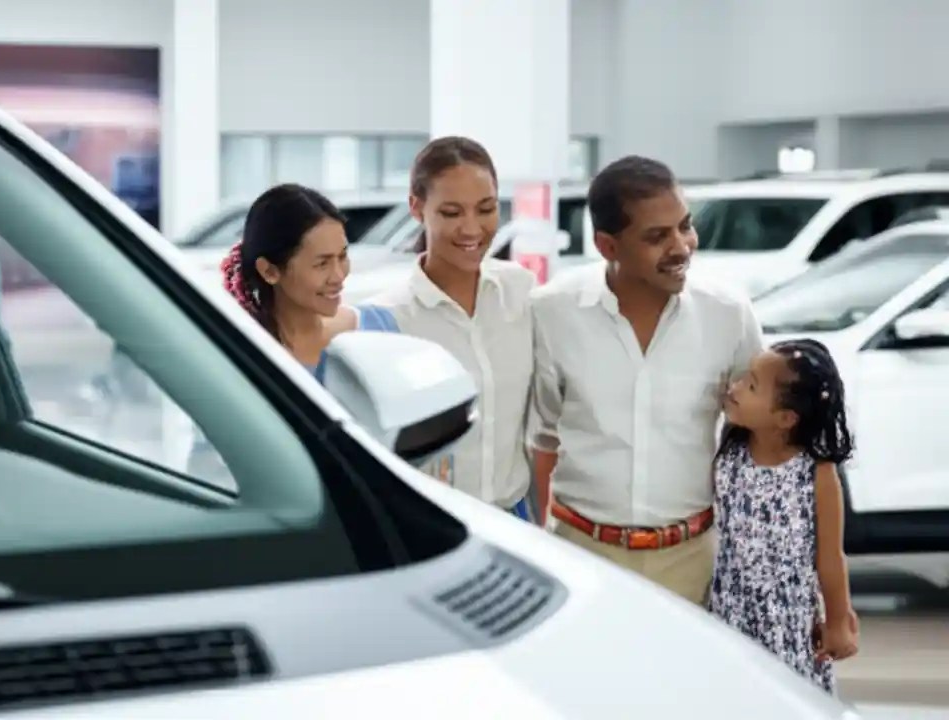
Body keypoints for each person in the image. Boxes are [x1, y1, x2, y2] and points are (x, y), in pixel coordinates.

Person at [529, 155, 763, 604]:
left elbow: (760, 444)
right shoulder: (551, 312)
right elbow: (541, 442)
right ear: (607, 245)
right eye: (657, 236)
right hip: (580, 557)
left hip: (694, 561)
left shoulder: (728, 313)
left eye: (685, 226)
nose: (681, 246)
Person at [370, 136, 535, 521]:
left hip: (516, 521)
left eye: (486, 209)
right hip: (429, 528)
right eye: (451, 212)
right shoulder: (388, 319)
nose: (472, 229)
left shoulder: (520, 291)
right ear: (416, 207)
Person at [709, 338, 859, 694]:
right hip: (729, 609)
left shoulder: (817, 474)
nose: (735, 387)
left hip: (786, 620)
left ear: (785, 418)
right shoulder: (730, 454)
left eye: (751, 386)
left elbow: (830, 558)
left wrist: (838, 620)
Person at [220, 183, 398, 381]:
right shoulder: (246, 359)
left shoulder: (378, 326)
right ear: (269, 271)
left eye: (342, 256)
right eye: (322, 264)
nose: (339, 276)